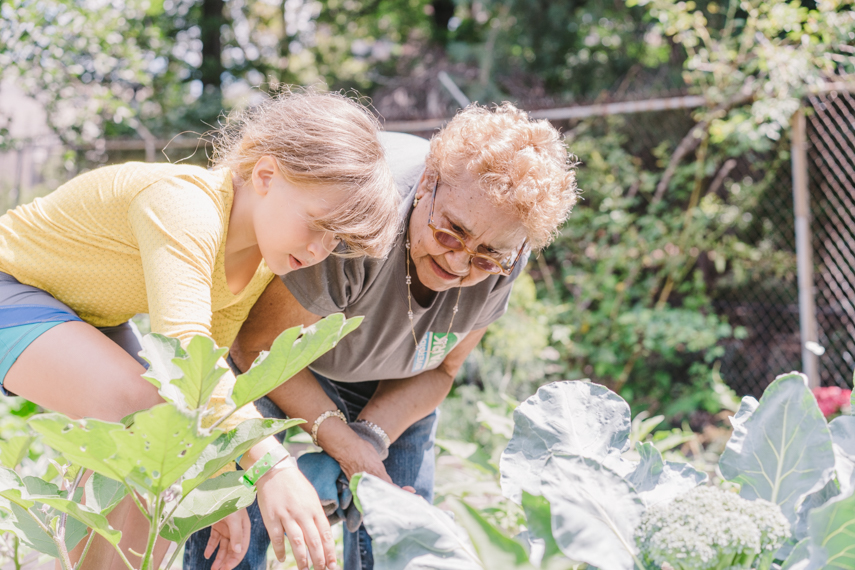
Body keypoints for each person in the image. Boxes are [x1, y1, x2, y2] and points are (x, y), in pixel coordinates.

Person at [0, 90, 400, 570]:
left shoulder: (260, 265)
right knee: (153, 421)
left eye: (336, 239)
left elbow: (210, 372)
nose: (320, 249)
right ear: (266, 176)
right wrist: (271, 466)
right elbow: (187, 353)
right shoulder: (185, 205)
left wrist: (216, 479)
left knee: (171, 451)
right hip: (11, 284)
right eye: (317, 224)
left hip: (88, 318)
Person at [185, 102, 579, 570]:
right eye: (451, 233)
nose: (458, 263)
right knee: (243, 501)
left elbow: (445, 369)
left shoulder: (506, 253)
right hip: (289, 361)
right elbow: (257, 347)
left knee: (403, 540)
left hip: (399, 382)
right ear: (428, 185)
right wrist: (338, 442)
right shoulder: (363, 219)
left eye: (486, 256)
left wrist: (369, 439)